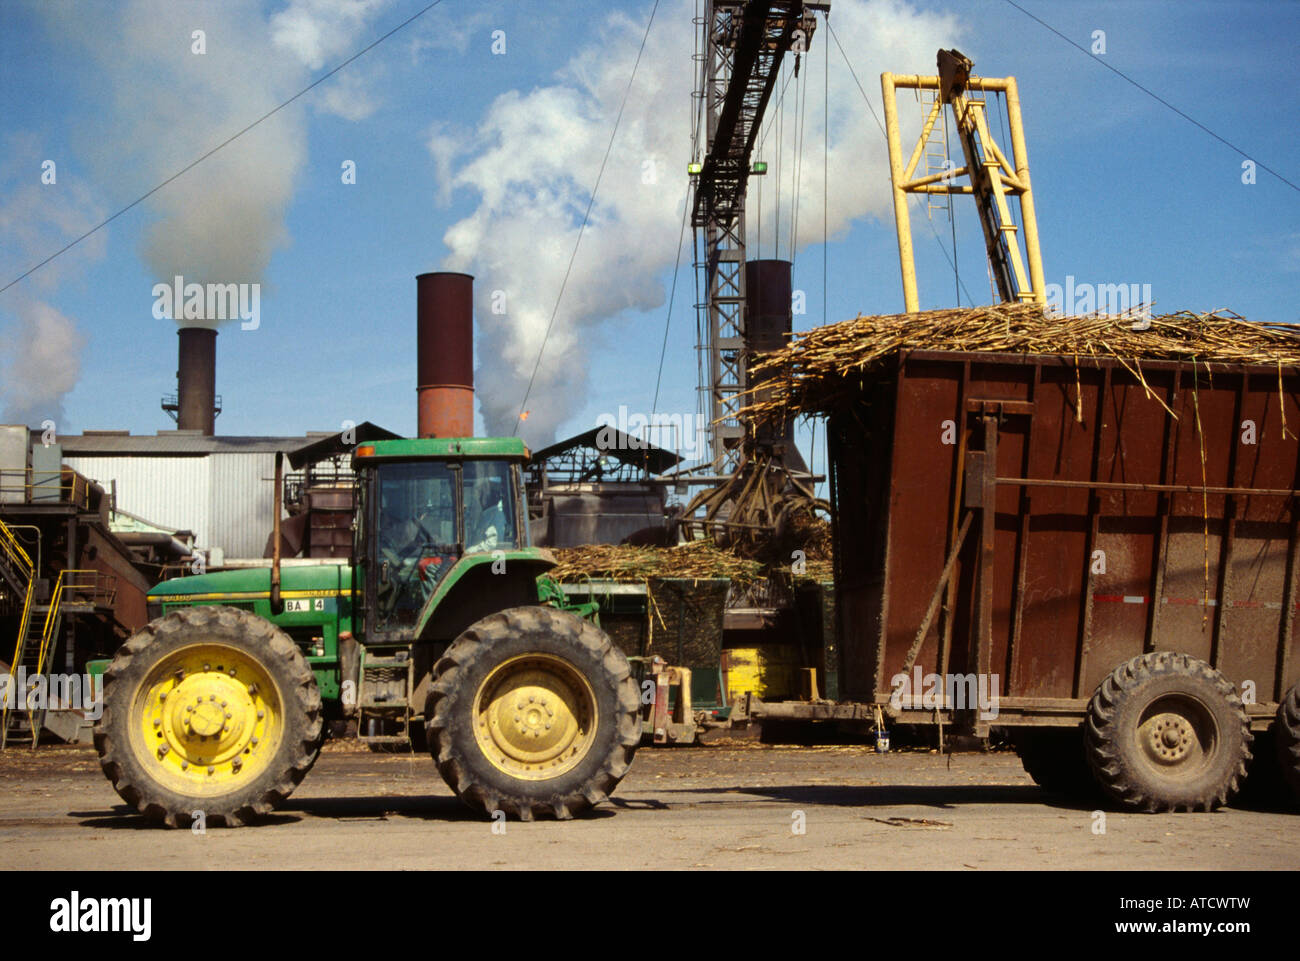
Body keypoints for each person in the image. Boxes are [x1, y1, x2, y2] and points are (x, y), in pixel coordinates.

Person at [466, 477, 506, 553]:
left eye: (482, 493)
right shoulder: (485, 515)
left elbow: (491, 544)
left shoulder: (497, 515)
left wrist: (470, 551)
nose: (479, 498)